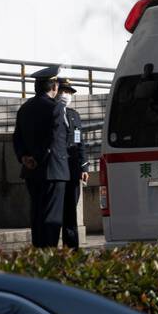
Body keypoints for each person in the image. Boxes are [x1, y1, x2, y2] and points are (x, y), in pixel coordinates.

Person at [12, 66, 69, 248]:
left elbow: (17, 137)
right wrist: (38, 157)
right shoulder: (56, 108)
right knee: (52, 216)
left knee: (37, 213)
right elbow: (53, 139)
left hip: (31, 170)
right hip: (53, 169)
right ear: (53, 86)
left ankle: (38, 250)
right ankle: (49, 252)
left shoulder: (25, 108)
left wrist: (25, 158)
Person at [57, 78, 89, 250]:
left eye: (69, 92)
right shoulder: (51, 114)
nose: (66, 95)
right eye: (64, 91)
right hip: (56, 169)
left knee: (71, 212)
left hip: (72, 170)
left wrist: (83, 166)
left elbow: (79, 142)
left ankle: (72, 249)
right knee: (56, 213)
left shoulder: (74, 115)